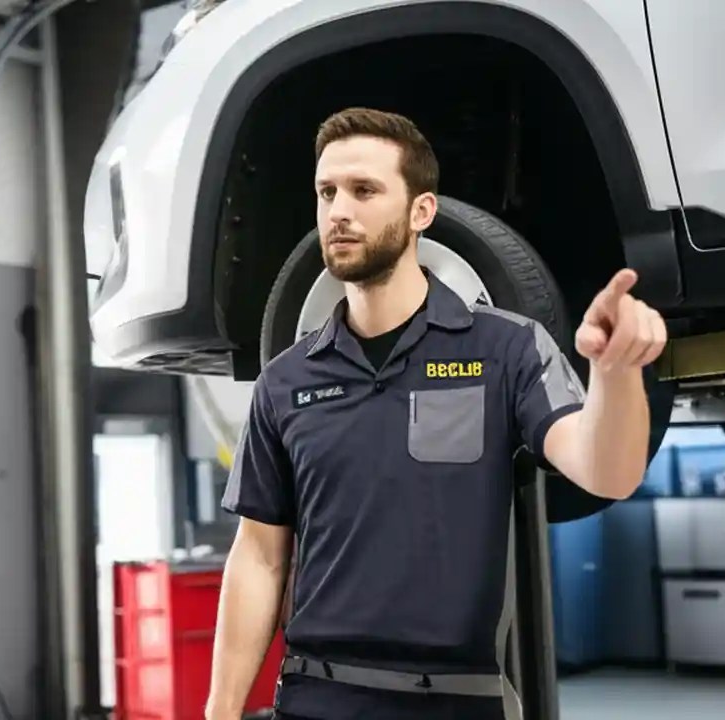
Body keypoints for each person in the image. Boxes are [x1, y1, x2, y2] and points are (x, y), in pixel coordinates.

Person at [205, 108, 667, 720]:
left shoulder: (506, 348)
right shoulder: (284, 382)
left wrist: (614, 373)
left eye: (364, 190)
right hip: (317, 697)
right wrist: (220, 710)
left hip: (455, 700)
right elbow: (260, 557)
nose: (338, 210)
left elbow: (608, 472)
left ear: (421, 211)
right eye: (327, 192)